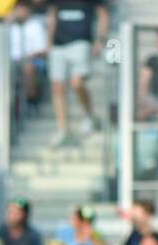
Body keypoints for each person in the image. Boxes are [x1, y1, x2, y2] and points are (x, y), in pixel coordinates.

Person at [47, 0, 109, 147]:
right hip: (58, 45)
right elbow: (53, 15)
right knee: (57, 86)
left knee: (77, 83)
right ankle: (63, 130)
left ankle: (90, 115)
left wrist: (100, 40)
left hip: (81, 42)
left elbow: (103, 14)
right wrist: (48, 42)